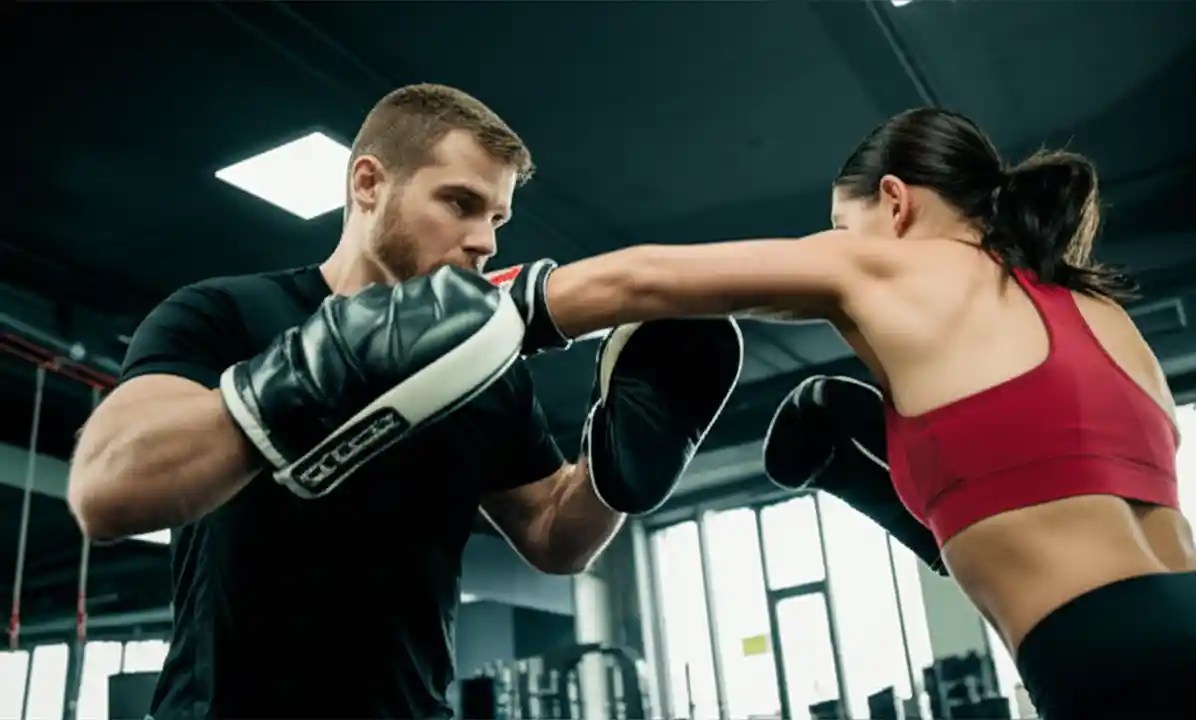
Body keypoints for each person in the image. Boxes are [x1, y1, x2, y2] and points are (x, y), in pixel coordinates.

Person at [506, 107, 1196, 717]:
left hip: (1118, 670)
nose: (838, 245)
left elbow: (646, 280)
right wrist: (872, 473)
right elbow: (1032, 499)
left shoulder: (886, 260)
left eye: (841, 227)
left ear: (895, 201)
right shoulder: (1094, 306)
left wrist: (483, 311)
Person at [65, 83, 741, 720]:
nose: (487, 240)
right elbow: (109, 490)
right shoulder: (224, 313)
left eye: (498, 216)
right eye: (461, 203)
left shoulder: (487, 368)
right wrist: (318, 367)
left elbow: (554, 537)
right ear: (368, 183)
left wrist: (617, 463)